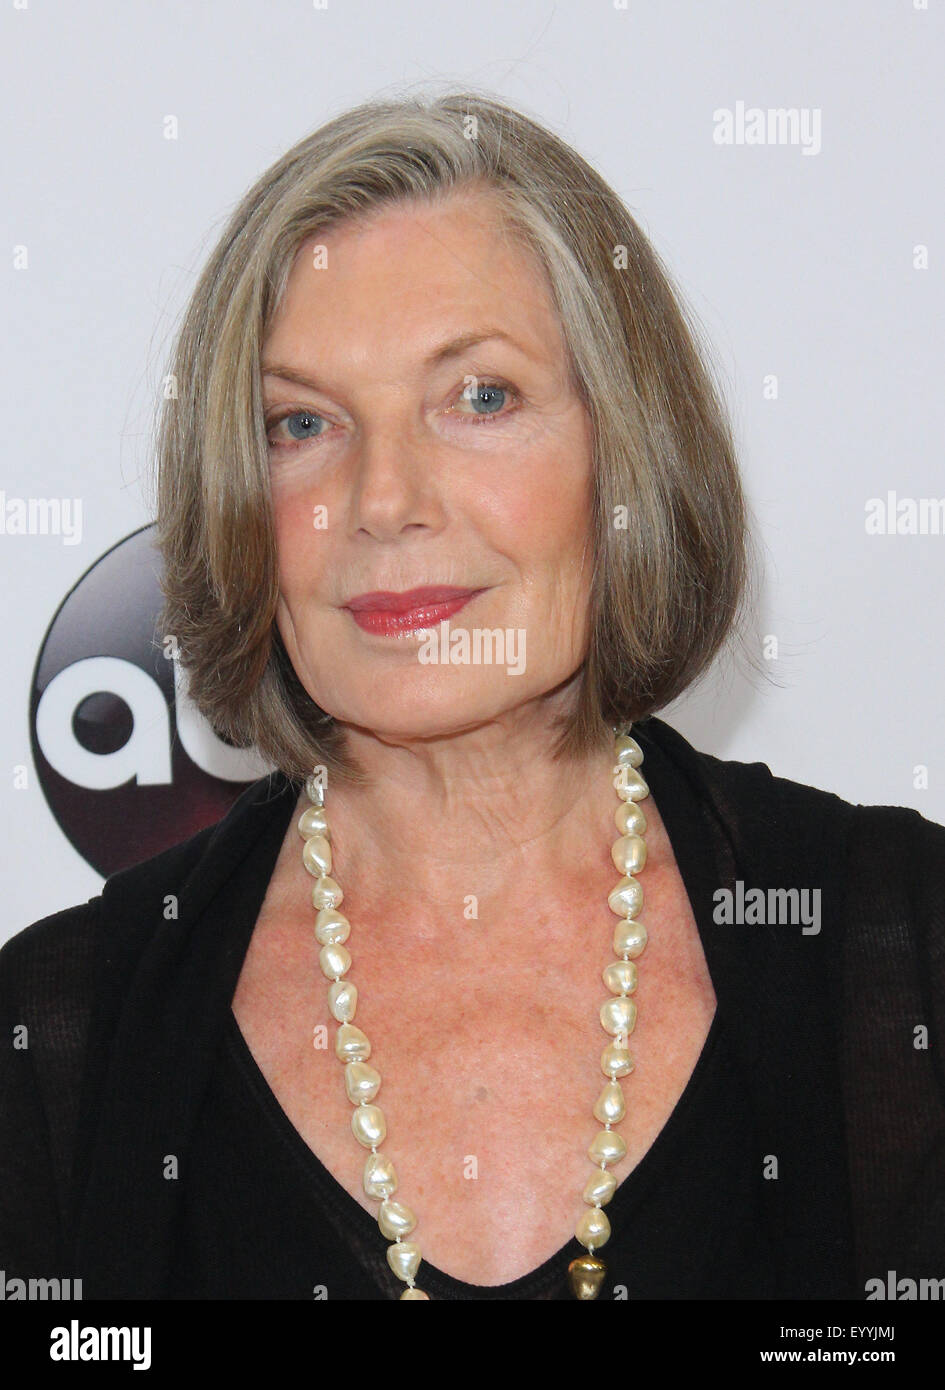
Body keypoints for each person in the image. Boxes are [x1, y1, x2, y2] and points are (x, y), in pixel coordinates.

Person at [2, 90, 943, 1303]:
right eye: (302, 422)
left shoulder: (900, 952)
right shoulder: (62, 1038)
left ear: (626, 448)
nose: (385, 497)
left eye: (480, 397)